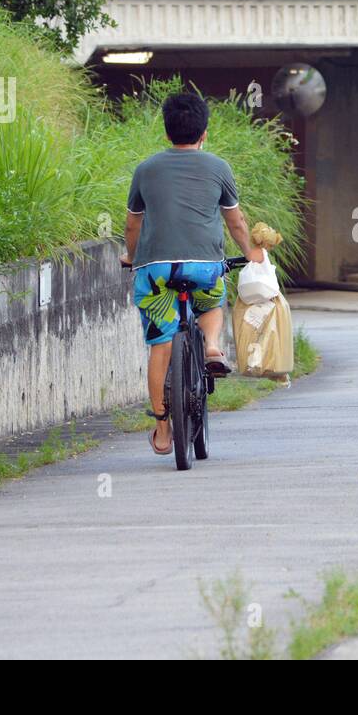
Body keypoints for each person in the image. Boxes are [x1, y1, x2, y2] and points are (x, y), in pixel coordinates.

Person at [120, 91, 265, 456]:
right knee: (212, 300)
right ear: (204, 134)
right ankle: (213, 346)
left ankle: (163, 431)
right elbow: (236, 221)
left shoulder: (146, 169)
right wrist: (251, 253)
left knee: (161, 345)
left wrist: (133, 258)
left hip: (156, 269)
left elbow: (132, 225)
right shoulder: (218, 167)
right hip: (203, 266)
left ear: (167, 134)